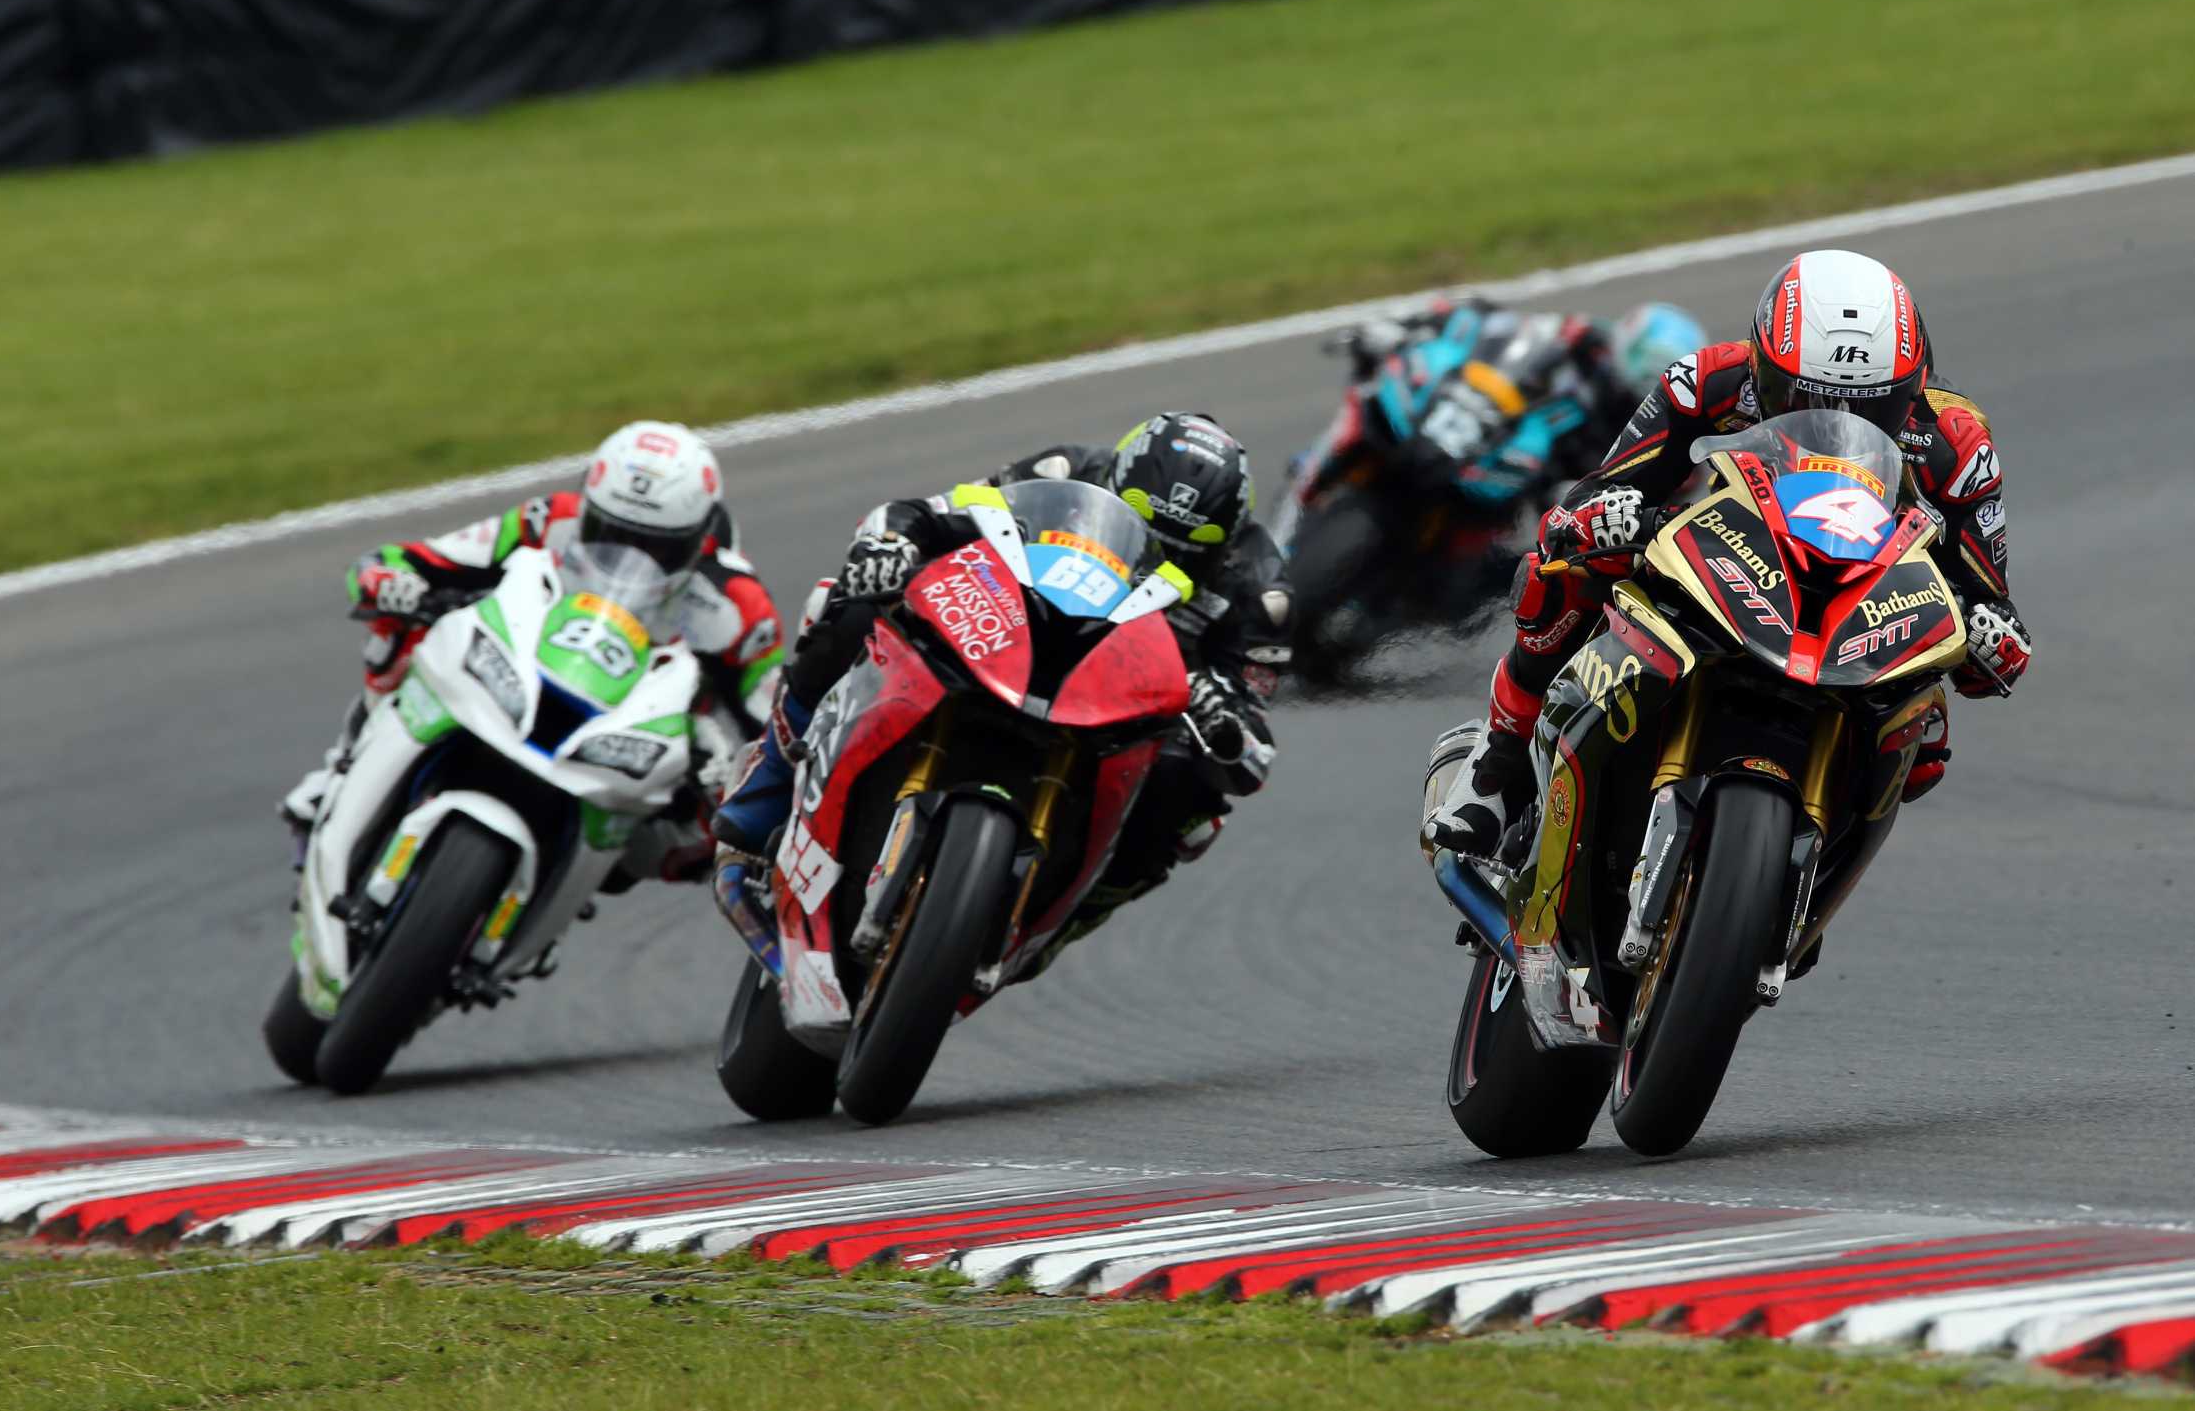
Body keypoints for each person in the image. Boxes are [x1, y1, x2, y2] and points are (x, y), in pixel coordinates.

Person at [1426, 249, 2033, 859]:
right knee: (1561, 572)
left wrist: (1992, 635)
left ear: (1913, 389)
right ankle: (1498, 764)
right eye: (1805, 399)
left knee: (1925, 738)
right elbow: (1591, 500)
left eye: (1871, 407)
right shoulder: (1707, 382)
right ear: (1761, 367)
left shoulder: (1956, 444)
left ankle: (1816, 860)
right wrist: (1606, 517)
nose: (1837, 423)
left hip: (1862, 610)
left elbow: (1989, 599)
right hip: (1725, 563)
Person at [710, 412, 1290, 978]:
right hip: (1000, 636)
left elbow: (1253, 745)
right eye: (1144, 529)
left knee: (1194, 809)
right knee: (844, 603)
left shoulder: (1260, 589)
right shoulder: (1064, 472)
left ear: (1224, 543)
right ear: (1115, 482)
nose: (1157, 555)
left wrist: (1222, 715)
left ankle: (1068, 916)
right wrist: (890, 546)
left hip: (1117, 710)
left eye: (1183, 551)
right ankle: (766, 791)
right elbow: (932, 513)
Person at [281, 421, 785, 880]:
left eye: (657, 548)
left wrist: (727, 773)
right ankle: (342, 768)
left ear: (699, 539)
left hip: (633, 748)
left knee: (727, 837)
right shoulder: (548, 520)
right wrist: (390, 582)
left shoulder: (737, 607)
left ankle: (570, 878)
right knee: (403, 627)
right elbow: (412, 560)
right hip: (518, 671)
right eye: (608, 534)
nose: (626, 559)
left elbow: (780, 730)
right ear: (587, 508)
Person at [1335, 295, 1710, 503]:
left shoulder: (1671, 438)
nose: (1646, 380)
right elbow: (1505, 329)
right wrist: (1415, 328)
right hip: (1484, 430)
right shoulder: (1584, 340)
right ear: (1627, 341)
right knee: (1378, 379)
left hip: (1522, 488)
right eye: (1646, 361)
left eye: (1658, 373)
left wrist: (1583, 497)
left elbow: (1664, 497)